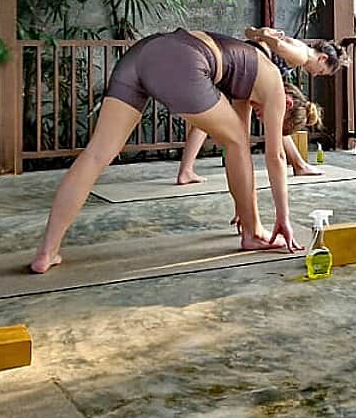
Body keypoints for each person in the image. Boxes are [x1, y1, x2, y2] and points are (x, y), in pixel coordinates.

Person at [30, 29, 321, 274]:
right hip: (184, 58)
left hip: (143, 54)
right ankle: (254, 234)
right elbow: (276, 156)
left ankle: (47, 252)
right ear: (289, 104)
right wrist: (282, 217)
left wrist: (242, 207)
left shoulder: (247, 83)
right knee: (237, 141)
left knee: (96, 154)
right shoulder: (273, 85)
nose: (261, 118)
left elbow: (237, 152)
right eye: (266, 118)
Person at [175, 26, 348, 184]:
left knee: (208, 118)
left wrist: (261, 34)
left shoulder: (297, 44)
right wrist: (266, 36)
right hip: (251, 71)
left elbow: (250, 32)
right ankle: (260, 175)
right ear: (322, 58)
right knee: (250, 129)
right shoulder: (302, 55)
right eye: (321, 71)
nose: (316, 75)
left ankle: (186, 170)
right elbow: (278, 46)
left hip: (244, 63)